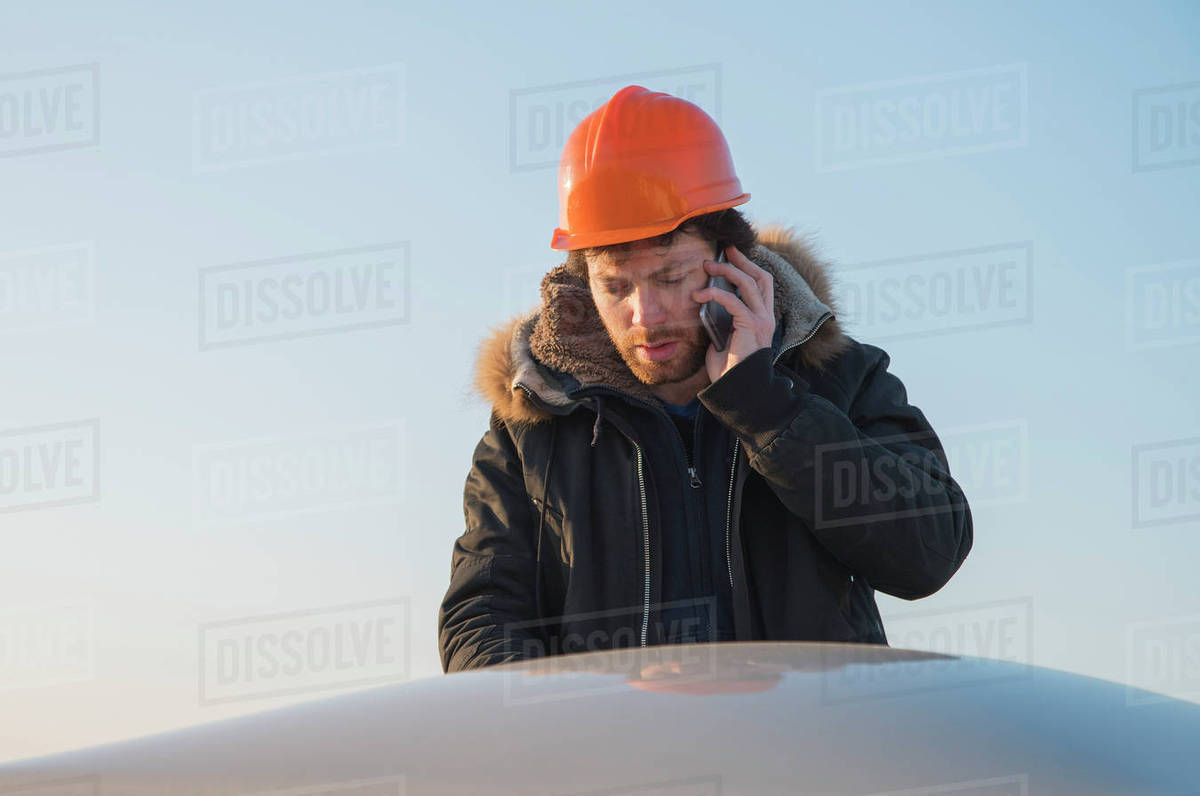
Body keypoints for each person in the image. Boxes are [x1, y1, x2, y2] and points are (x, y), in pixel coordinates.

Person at [438, 85, 973, 673]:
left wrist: (766, 407)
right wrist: (559, 739)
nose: (645, 314)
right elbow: (481, 616)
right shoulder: (534, 418)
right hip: (619, 759)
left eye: (669, 277)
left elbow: (931, 552)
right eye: (616, 286)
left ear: (730, 261)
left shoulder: (837, 375)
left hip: (812, 754)